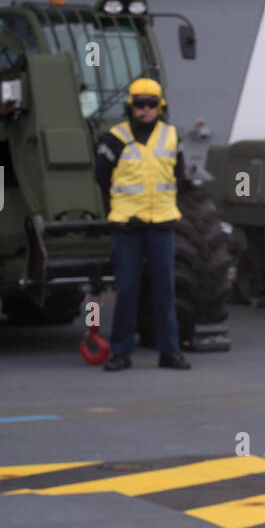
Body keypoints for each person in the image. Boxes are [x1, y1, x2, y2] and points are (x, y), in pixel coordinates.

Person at [94, 77, 191, 371]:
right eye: (140, 104)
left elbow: (180, 177)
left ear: (159, 107)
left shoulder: (172, 136)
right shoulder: (113, 138)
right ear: (131, 106)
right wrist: (120, 212)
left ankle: (169, 351)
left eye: (151, 104)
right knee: (127, 290)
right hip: (127, 228)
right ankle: (121, 352)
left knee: (164, 290)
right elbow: (101, 178)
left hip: (161, 224)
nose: (145, 110)